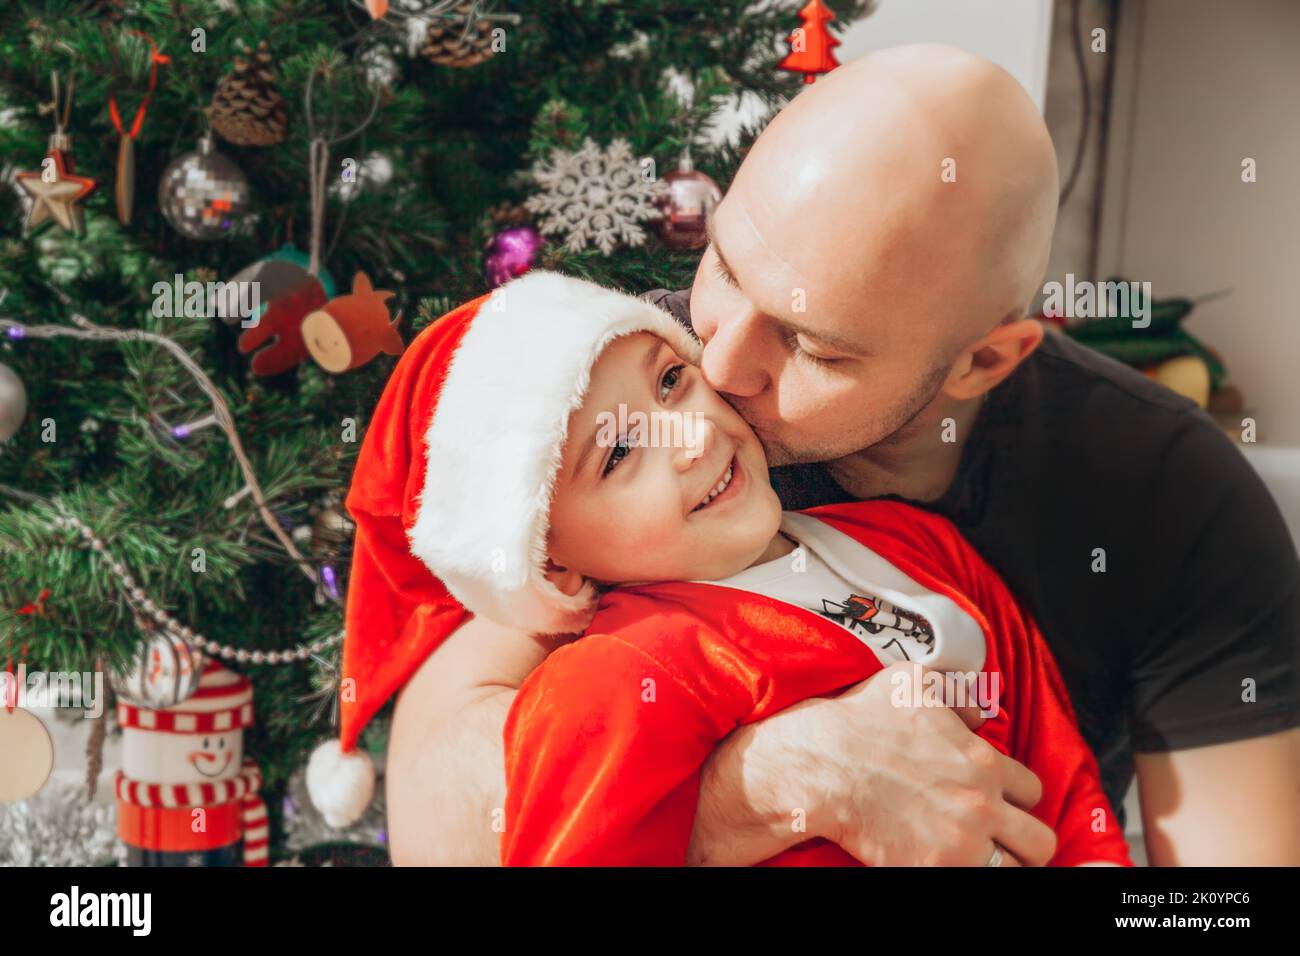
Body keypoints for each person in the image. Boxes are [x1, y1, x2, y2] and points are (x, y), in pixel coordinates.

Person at [386, 45, 1300, 866]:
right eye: (727, 265)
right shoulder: (623, 386)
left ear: (982, 361)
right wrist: (765, 785)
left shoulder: (1167, 493)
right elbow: (435, 824)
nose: (721, 371)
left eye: (813, 348)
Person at [308, 270, 1131, 867]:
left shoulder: (909, 543)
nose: (690, 435)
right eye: (621, 452)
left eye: (671, 381)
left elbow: (1056, 766)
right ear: (555, 567)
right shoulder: (621, 677)